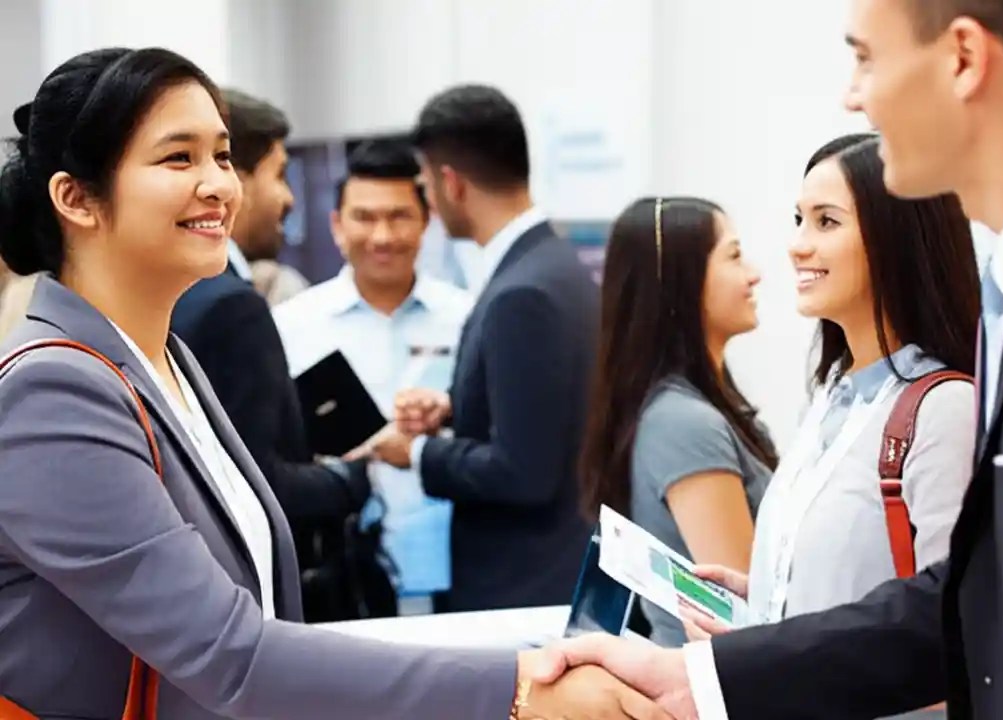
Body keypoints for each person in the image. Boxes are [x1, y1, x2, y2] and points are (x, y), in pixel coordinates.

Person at [547, 0, 1003, 718]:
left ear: (963, 57)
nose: (852, 94)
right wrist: (699, 677)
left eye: (865, 56)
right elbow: (973, 599)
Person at [0, 47, 667, 720]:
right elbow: (232, 654)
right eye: (179, 158)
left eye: (224, 157)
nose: (219, 186)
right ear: (76, 198)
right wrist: (518, 687)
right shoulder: (53, 392)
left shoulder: (167, 363)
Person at [682, 134, 977, 651]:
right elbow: (857, 591)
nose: (797, 245)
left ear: (896, 237)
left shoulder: (944, 408)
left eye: (827, 221)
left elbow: (952, 628)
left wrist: (779, 648)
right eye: (799, 219)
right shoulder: (832, 398)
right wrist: (768, 604)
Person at [354, 85, 598, 613]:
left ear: (450, 183)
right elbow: (543, 417)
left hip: (522, 584)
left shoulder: (522, 293)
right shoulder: (551, 266)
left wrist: (414, 452)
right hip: (547, 573)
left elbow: (522, 471)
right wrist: (454, 412)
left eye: (425, 186)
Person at [170, 88, 377, 622]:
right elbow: (256, 484)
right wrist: (351, 477)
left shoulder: (180, 290)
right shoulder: (232, 304)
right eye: (279, 174)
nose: (288, 198)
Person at [274, 139, 473, 610]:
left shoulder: (469, 319)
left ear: (427, 222)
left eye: (399, 216)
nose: (382, 236)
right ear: (337, 226)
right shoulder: (293, 325)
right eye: (364, 218)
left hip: (458, 562)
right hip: (343, 573)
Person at [578, 196, 778, 648]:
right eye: (733, 256)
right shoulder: (682, 422)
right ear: (680, 283)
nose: (754, 274)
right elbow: (742, 611)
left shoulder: (701, 407)